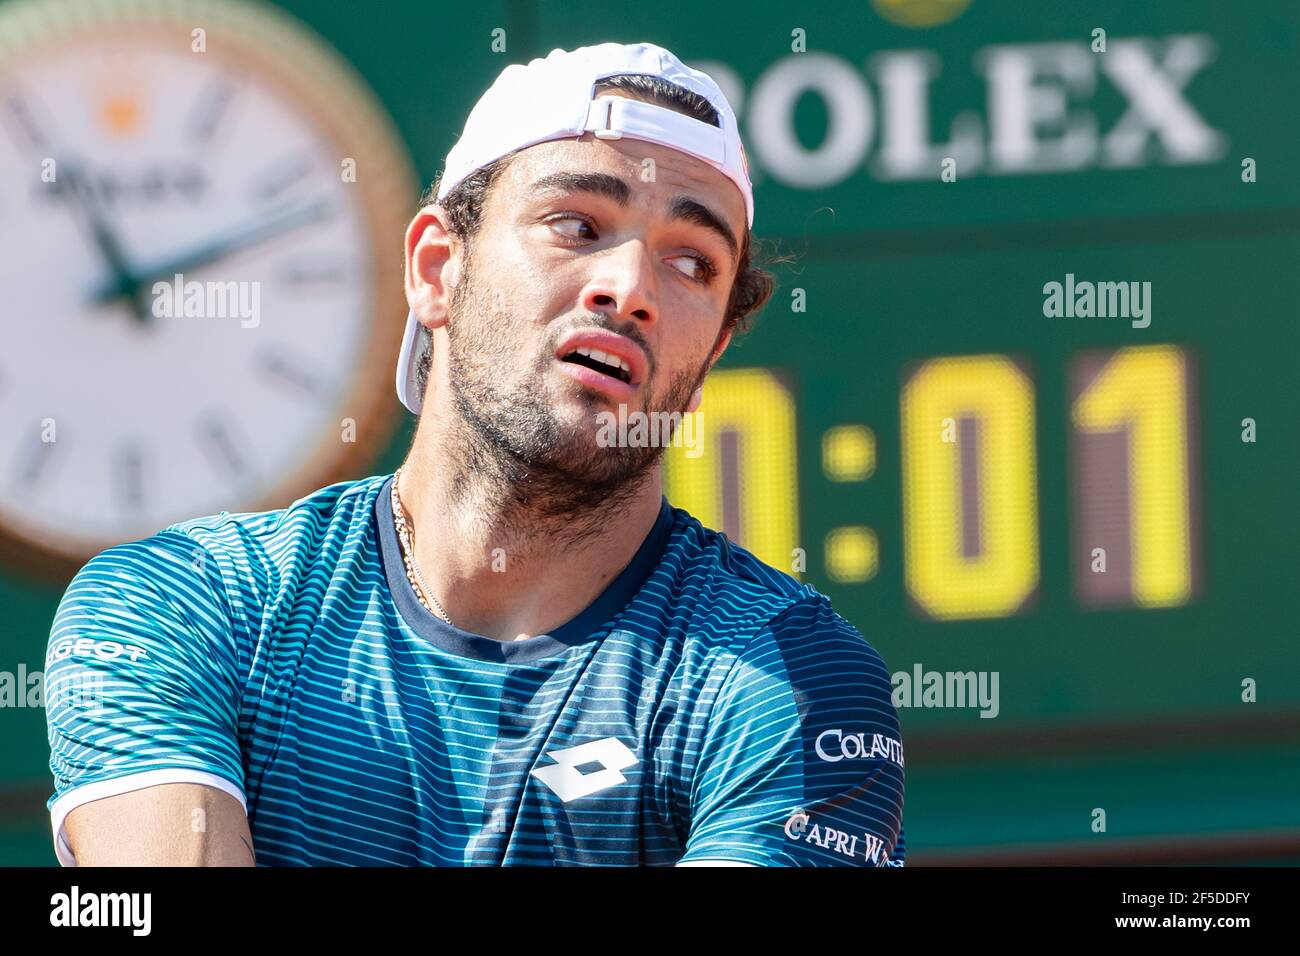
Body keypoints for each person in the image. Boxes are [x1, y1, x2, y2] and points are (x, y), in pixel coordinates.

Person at [44, 41, 906, 866]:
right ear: (435, 269)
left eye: (693, 263)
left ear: (712, 351)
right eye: (576, 223)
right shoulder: (186, 603)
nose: (631, 287)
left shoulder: (796, 679)